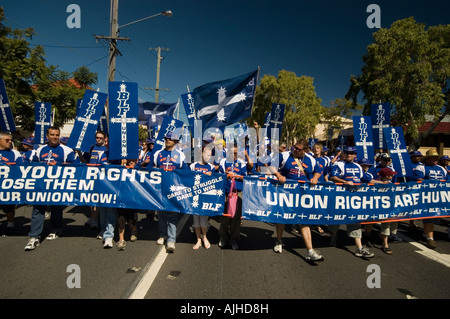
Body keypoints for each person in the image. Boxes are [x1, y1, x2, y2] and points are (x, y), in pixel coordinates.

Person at [24, 126, 79, 251]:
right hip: (41, 185)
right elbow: (31, 163)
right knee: (38, 208)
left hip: (57, 185)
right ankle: (34, 236)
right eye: (52, 135)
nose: (55, 137)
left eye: (57, 135)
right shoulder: (39, 150)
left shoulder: (67, 150)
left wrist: (59, 165)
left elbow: (75, 166)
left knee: (56, 207)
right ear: (47, 136)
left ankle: (56, 228)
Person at [273, 139, 324, 262]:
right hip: (285, 192)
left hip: (302, 194)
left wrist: (315, 178)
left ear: (305, 151)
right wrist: (279, 175)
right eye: (294, 147)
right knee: (282, 217)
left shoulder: (310, 159)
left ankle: (310, 251)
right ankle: (279, 240)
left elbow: (318, 170)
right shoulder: (284, 155)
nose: (294, 150)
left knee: (304, 220)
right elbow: (270, 165)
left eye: (298, 149)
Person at [329, 146, 375, 258]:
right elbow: (332, 177)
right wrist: (345, 181)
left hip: (354, 199)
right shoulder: (339, 164)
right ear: (344, 154)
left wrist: (382, 183)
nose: (349, 155)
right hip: (341, 198)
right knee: (337, 219)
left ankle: (359, 248)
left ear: (355, 155)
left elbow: (367, 179)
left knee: (355, 221)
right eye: (347, 153)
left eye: (352, 153)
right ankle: (333, 236)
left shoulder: (358, 166)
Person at [152, 131, 188, 252]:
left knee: (172, 214)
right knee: (161, 213)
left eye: (170, 139)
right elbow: (151, 170)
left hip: (174, 189)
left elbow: (185, 172)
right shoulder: (158, 153)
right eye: (166, 138)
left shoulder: (181, 155)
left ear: (176, 141)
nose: (167, 140)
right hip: (160, 188)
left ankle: (171, 240)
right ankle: (163, 235)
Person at [218, 144, 253, 250]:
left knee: (236, 218)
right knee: (225, 217)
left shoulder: (241, 163)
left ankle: (234, 240)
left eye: (235, 153)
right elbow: (219, 177)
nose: (233, 155)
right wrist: (226, 176)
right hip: (226, 193)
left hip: (238, 193)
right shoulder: (223, 161)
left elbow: (245, 178)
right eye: (232, 152)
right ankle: (223, 238)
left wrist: (236, 176)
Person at [413, 148, 448, 249]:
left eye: (436, 157)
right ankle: (430, 238)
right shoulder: (421, 168)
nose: (435, 159)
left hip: (440, 196)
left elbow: (447, 181)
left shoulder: (442, 169)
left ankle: (426, 233)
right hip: (426, 197)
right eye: (432, 157)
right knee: (430, 216)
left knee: (435, 217)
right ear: (427, 158)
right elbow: (418, 179)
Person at [79, 131, 108, 230]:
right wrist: (79, 153)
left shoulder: (107, 149)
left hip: (102, 177)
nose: (98, 139)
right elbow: (85, 162)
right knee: (92, 198)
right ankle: (93, 218)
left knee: (98, 198)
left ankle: (95, 219)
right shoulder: (91, 148)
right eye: (97, 137)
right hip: (91, 176)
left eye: (101, 138)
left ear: (104, 138)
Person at [189, 147, 215, 250]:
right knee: (196, 219)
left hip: (205, 196)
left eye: (210, 155)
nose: (209, 157)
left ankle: (204, 237)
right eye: (207, 155)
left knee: (203, 218)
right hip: (195, 196)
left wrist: (210, 176)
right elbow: (187, 178)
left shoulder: (211, 167)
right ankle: (198, 239)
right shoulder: (193, 166)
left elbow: (215, 181)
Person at [0, 131, 24, 236]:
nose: (10, 142)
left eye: (11, 140)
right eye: (7, 140)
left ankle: (10, 224)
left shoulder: (15, 153)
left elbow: (21, 168)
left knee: (8, 208)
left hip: (7, 186)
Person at [116, 159, 138, 251]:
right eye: (130, 160)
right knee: (121, 219)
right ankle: (121, 240)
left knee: (130, 220)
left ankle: (133, 231)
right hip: (122, 198)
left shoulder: (139, 170)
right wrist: (122, 165)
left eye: (133, 161)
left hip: (133, 199)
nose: (131, 162)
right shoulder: (122, 168)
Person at [377, 168, 399, 255]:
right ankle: (385, 245)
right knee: (386, 224)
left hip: (392, 206)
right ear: (387, 176)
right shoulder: (378, 184)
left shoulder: (391, 184)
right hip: (384, 207)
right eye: (391, 174)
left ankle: (384, 236)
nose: (392, 176)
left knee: (393, 224)